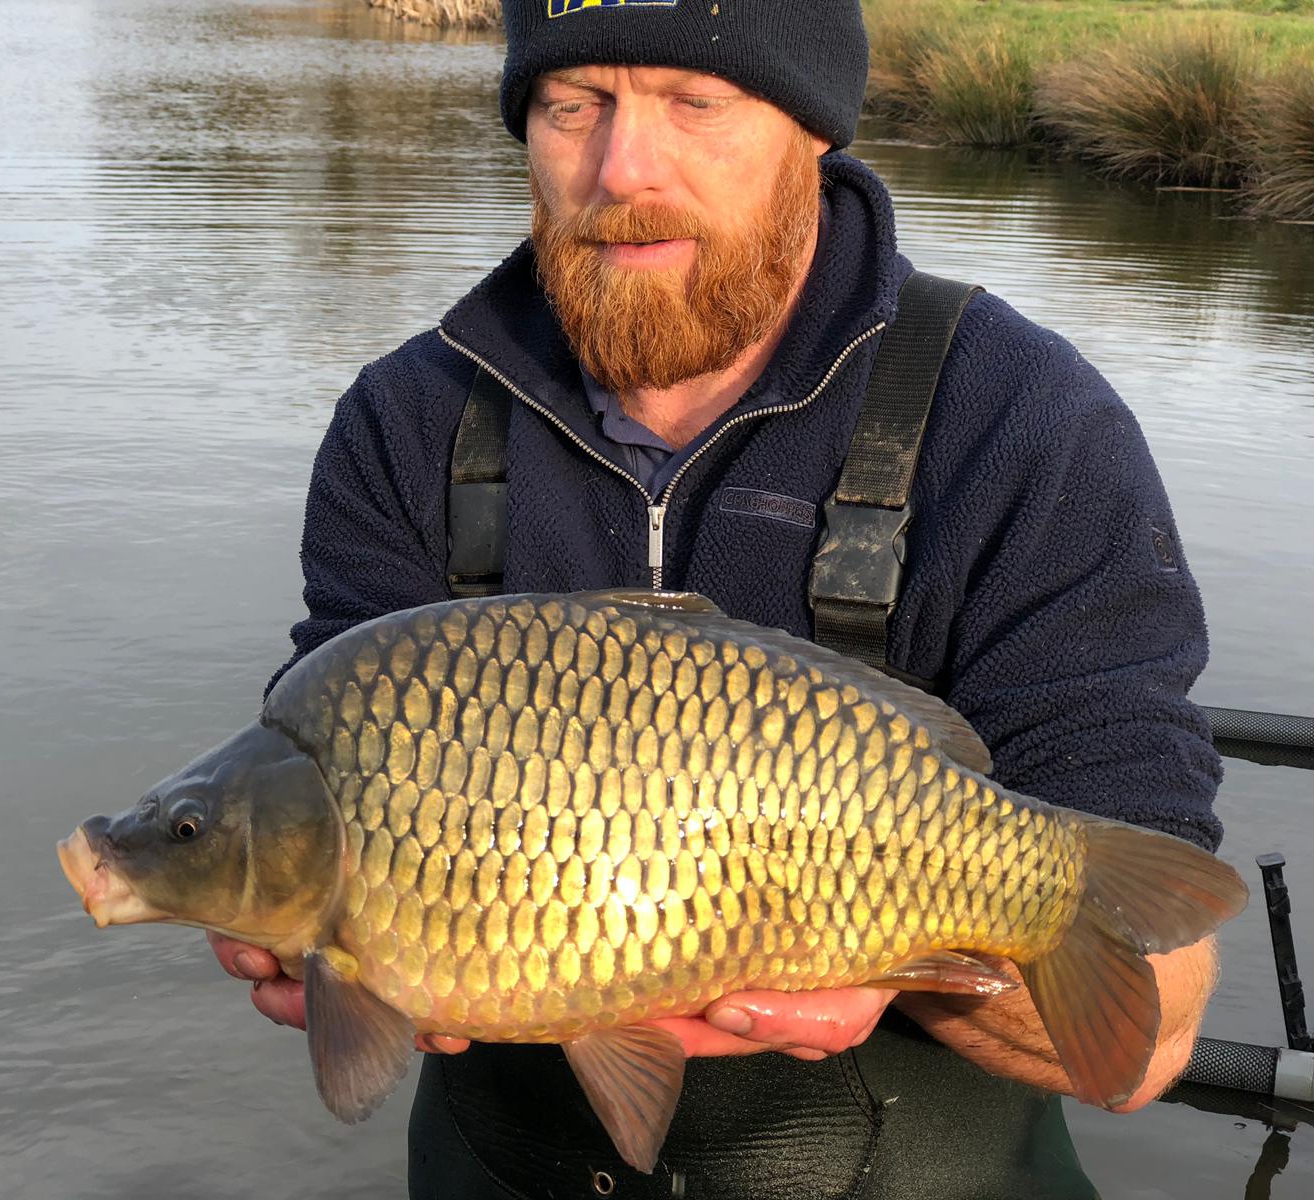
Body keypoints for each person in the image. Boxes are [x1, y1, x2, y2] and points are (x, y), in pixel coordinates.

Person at [209, 2, 1227, 1195]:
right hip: (504, 1158)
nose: (622, 170)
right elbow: (325, 811)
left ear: (817, 133)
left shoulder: (1025, 424)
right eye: (571, 105)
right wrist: (353, 953)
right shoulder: (406, 421)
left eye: (698, 103)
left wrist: (881, 941)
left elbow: (1153, 1031)